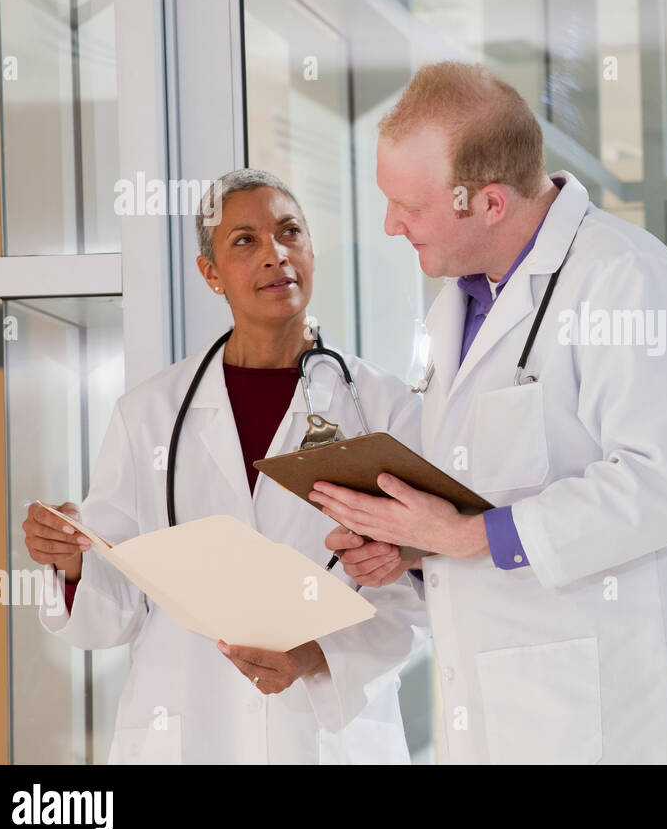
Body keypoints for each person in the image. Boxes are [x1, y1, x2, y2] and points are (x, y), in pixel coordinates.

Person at [313, 61, 667, 763]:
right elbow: (485, 499)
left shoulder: (624, 280)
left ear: (491, 203)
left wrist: (469, 536)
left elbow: (662, 486)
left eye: (409, 207)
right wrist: (411, 546)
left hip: (607, 718)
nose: (390, 225)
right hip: (496, 710)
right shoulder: (464, 305)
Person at [22, 169, 425, 764]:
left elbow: (417, 590)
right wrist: (72, 562)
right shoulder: (149, 415)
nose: (275, 255)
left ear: (311, 251)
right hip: (188, 726)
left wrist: (316, 656)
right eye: (245, 241)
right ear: (210, 273)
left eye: (290, 233)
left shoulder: (383, 407)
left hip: (323, 736)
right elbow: (117, 608)